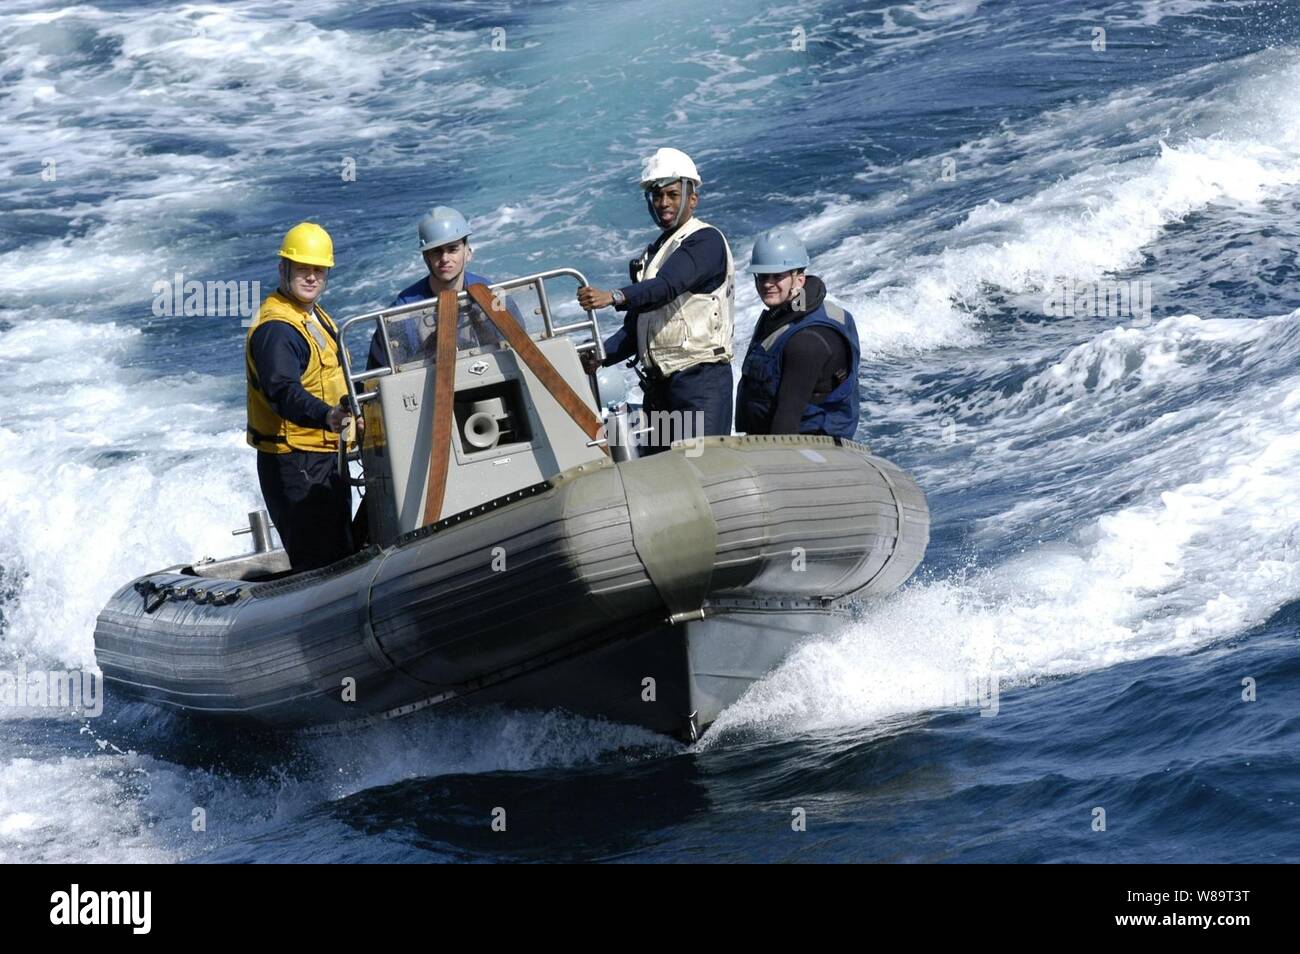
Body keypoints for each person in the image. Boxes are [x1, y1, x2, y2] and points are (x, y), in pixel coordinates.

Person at [577, 147, 735, 453]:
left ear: (693, 198)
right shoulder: (654, 255)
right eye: (657, 195)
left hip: (699, 384)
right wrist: (600, 355)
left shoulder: (705, 241)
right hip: (660, 388)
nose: (663, 203)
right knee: (661, 475)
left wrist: (614, 297)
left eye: (673, 194)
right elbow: (636, 329)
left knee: (700, 471)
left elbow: (667, 286)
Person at [245, 222, 358, 571]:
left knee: (341, 552)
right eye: (302, 269)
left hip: (325, 458)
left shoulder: (312, 316)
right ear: (284, 269)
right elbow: (283, 392)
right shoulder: (278, 329)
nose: (311, 277)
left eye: (318, 270)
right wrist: (327, 416)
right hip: (296, 464)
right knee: (320, 564)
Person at [734, 228, 861, 439]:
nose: (767, 284)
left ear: (799, 280)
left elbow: (787, 420)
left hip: (807, 447)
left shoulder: (806, 342)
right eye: (762, 276)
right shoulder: (782, 317)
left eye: (777, 276)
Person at [366, 206, 514, 370]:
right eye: (436, 251)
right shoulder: (401, 311)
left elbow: (517, 349)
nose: (445, 258)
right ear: (425, 257)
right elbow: (380, 376)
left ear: (468, 252)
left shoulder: (493, 296)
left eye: (452, 249)